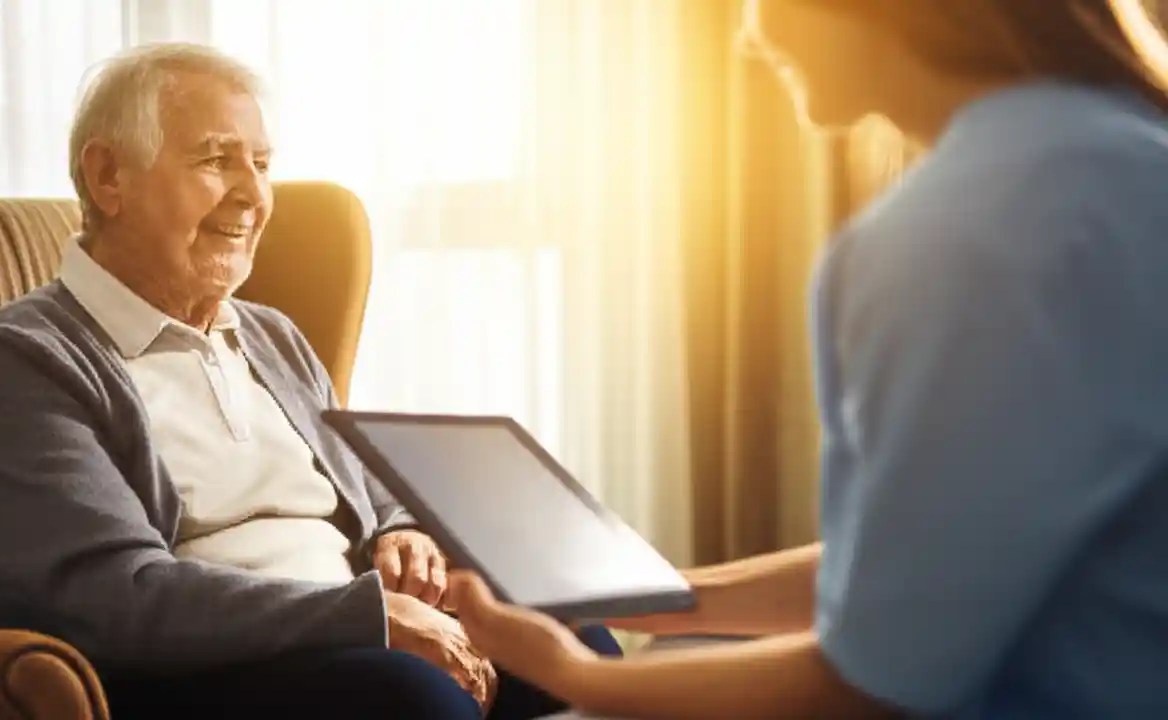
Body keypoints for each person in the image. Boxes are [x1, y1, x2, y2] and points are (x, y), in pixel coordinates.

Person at [449, 1, 1168, 717]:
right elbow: (938, 564)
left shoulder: (961, 236)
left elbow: (867, 689)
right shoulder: (1118, 155)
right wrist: (670, 602)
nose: (746, 36)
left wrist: (575, 674)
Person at [0, 43, 618, 719]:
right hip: (198, 672)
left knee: (575, 648)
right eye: (216, 160)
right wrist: (366, 617)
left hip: (349, 632)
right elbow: (116, 595)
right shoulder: (26, 360)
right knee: (413, 699)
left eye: (261, 165)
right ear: (108, 176)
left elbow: (368, 491)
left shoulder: (270, 336)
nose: (253, 196)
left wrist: (402, 531)